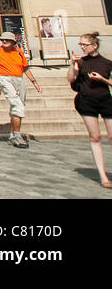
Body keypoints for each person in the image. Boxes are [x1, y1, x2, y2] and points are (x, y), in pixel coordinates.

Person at [68, 32, 112, 188]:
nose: (82, 47)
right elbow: (71, 79)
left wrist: (102, 79)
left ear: (95, 46)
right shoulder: (80, 62)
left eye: (84, 45)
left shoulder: (107, 63)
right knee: (95, 137)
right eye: (80, 44)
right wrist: (73, 65)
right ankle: (103, 175)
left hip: (106, 100)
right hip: (86, 100)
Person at [0, 32, 42, 147]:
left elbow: (25, 68)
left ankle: (13, 134)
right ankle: (17, 136)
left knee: (19, 105)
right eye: (2, 40)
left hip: (19, 79)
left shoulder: (18, 51)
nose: (4, 41)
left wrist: (34, 82)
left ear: (13, 42)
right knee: (17, 106)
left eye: (7, 40)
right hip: (4, 79)